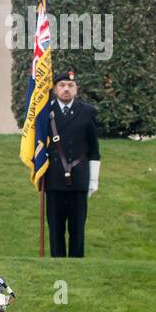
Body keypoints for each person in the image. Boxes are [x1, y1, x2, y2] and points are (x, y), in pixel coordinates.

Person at [43, 69, 101, 257]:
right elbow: (39, 146)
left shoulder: (87, 112)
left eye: (70, 85)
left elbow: (94, 150)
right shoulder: (46, 113)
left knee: (77, 229)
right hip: (54, 179)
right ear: (54, 89)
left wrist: (94, 181)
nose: (66, 89)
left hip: (79, 179)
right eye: (62, 85)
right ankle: (57, 264)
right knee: (55, 228)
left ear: (76, 89)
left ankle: (77, 265)